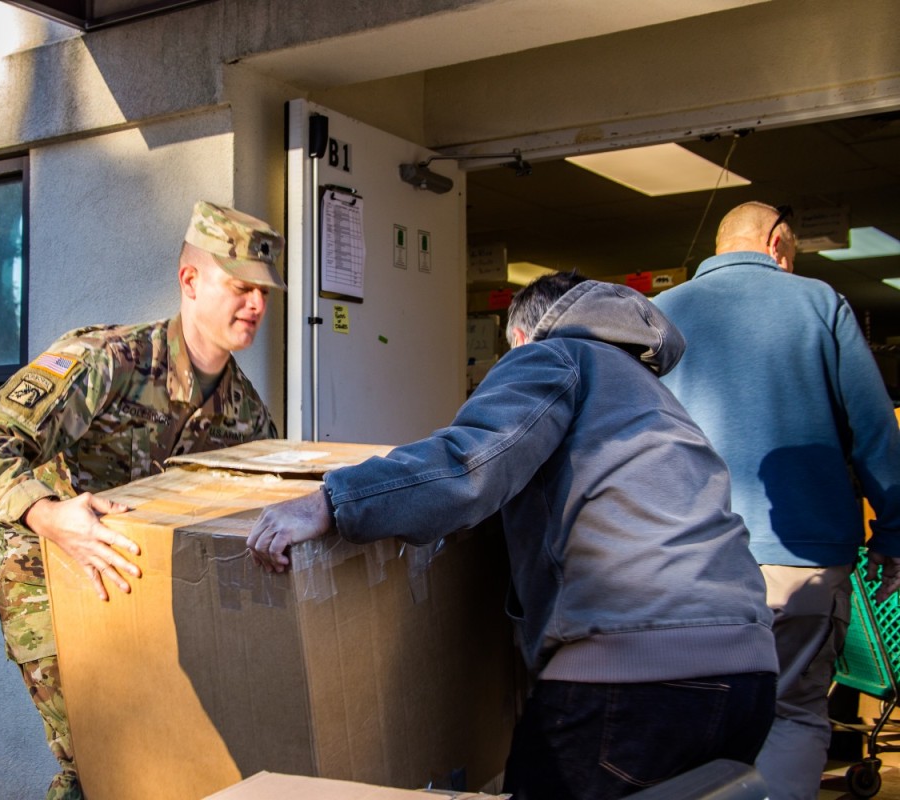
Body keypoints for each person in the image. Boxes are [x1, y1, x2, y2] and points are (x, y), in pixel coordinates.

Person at [248, 272, 778, 800]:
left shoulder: (554, 355)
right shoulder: (648, 394)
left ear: (521, 340)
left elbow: (471, 462)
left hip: (634, 676)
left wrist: (332, 501)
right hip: (747, 676)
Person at [0, 200, 284, 800]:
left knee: (172, 758)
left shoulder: (247, 413)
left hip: (144, 586)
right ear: (190, 281)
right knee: (103, 766)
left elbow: (262, 498)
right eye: (241, 287)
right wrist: (48, 514)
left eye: (265, 292)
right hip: (48, 575)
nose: (257, 305)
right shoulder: (110, 362)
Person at [653, 201, 900, 800]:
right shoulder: (818, 302)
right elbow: (872, 429)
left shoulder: (658, 315)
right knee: (792, 712)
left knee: (700, 713)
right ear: (778, 244)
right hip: (802, 557)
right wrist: (892, 537)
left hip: (690, 558)